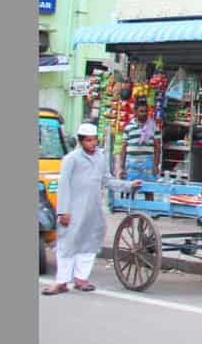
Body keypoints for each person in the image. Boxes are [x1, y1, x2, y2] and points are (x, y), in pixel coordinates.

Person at [44, 123, 141, 295]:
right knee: (67, 244)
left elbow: (107, 180)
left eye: (94, 140)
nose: (92, 144)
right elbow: (64, 186)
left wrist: (128, 185)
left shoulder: (100, 158)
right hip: (73, 209)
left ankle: (81, 279)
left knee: (89, 243)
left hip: (93, 209)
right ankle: (61, 281)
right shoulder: (71, 159)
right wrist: (63, 211)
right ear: (81, 142)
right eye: (88, 140)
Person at [122, 99, 159, 181]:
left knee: (149, 189)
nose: (144, 114)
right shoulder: (129, 127)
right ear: (135, 112)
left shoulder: (153, 126)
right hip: (131, 164)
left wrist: (155, 165)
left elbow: (157, 147)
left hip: (148, 163)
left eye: (146, 111)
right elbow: (124, 148)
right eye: (141, 111)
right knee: (130, 189)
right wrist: (122, 167)